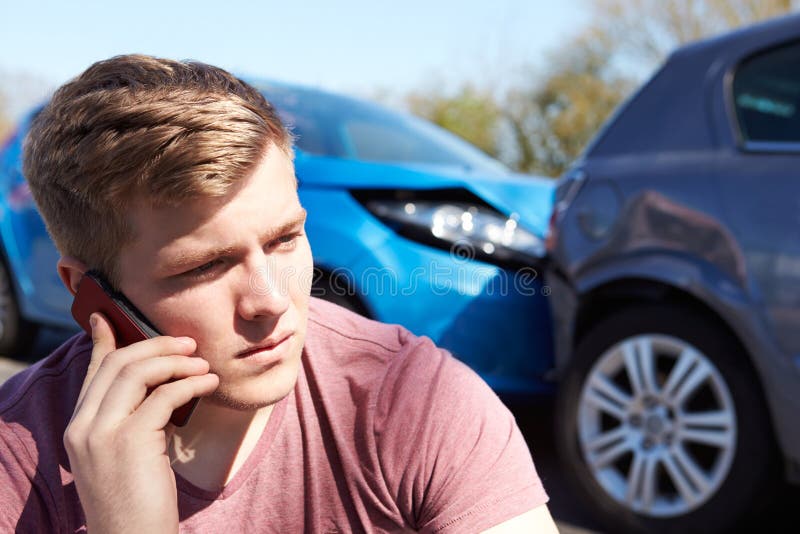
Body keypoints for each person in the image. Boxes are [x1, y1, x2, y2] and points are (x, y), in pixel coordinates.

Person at [0, 55, 556, 533]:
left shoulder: (414, 397)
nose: (271, 300)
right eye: (205, 266)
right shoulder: (18, 460)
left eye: (285, 239)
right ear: (90, 293)